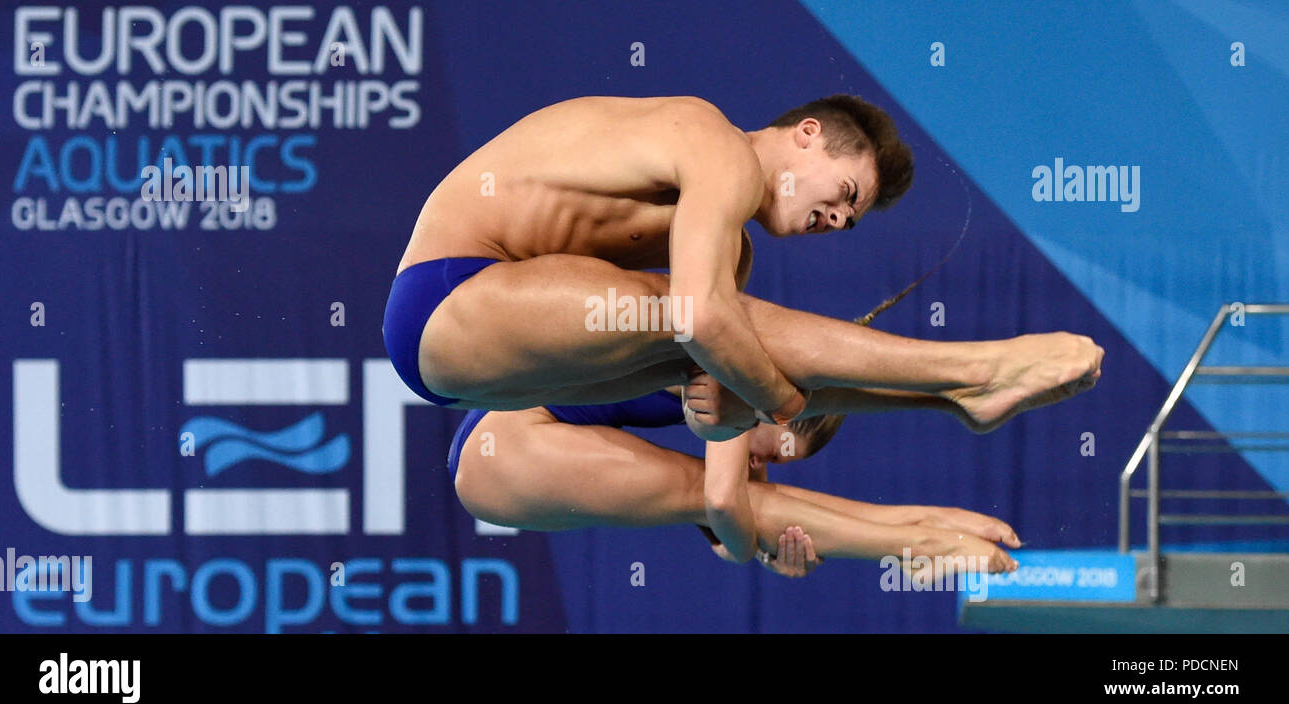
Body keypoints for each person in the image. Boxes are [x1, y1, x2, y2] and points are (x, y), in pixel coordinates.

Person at [384, 95, 1103, 434]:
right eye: (845, 194)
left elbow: (710, 396)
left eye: (851, 220)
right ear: (807, 135)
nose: (839, 220)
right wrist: (775, 404)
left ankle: (950, 402)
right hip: (448, 295)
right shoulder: (713, 143)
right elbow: (700, 319)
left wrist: (730, 405)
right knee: (717, 325)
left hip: (486, 364)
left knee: (734, 343)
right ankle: (976, 368)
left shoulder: (737, 245)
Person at [448, 387, 1023, 576]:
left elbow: (741, 509)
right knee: (728, 495)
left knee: (740, 497)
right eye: (765, 448)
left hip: (506, 441)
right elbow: (728, 507)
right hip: (508, 443)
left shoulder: (745, 388)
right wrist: (754, 545)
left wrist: (756, 540)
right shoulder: (726, 365)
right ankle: (928, 544)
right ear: (769, 411)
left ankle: (934, 526)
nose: (757, 464)